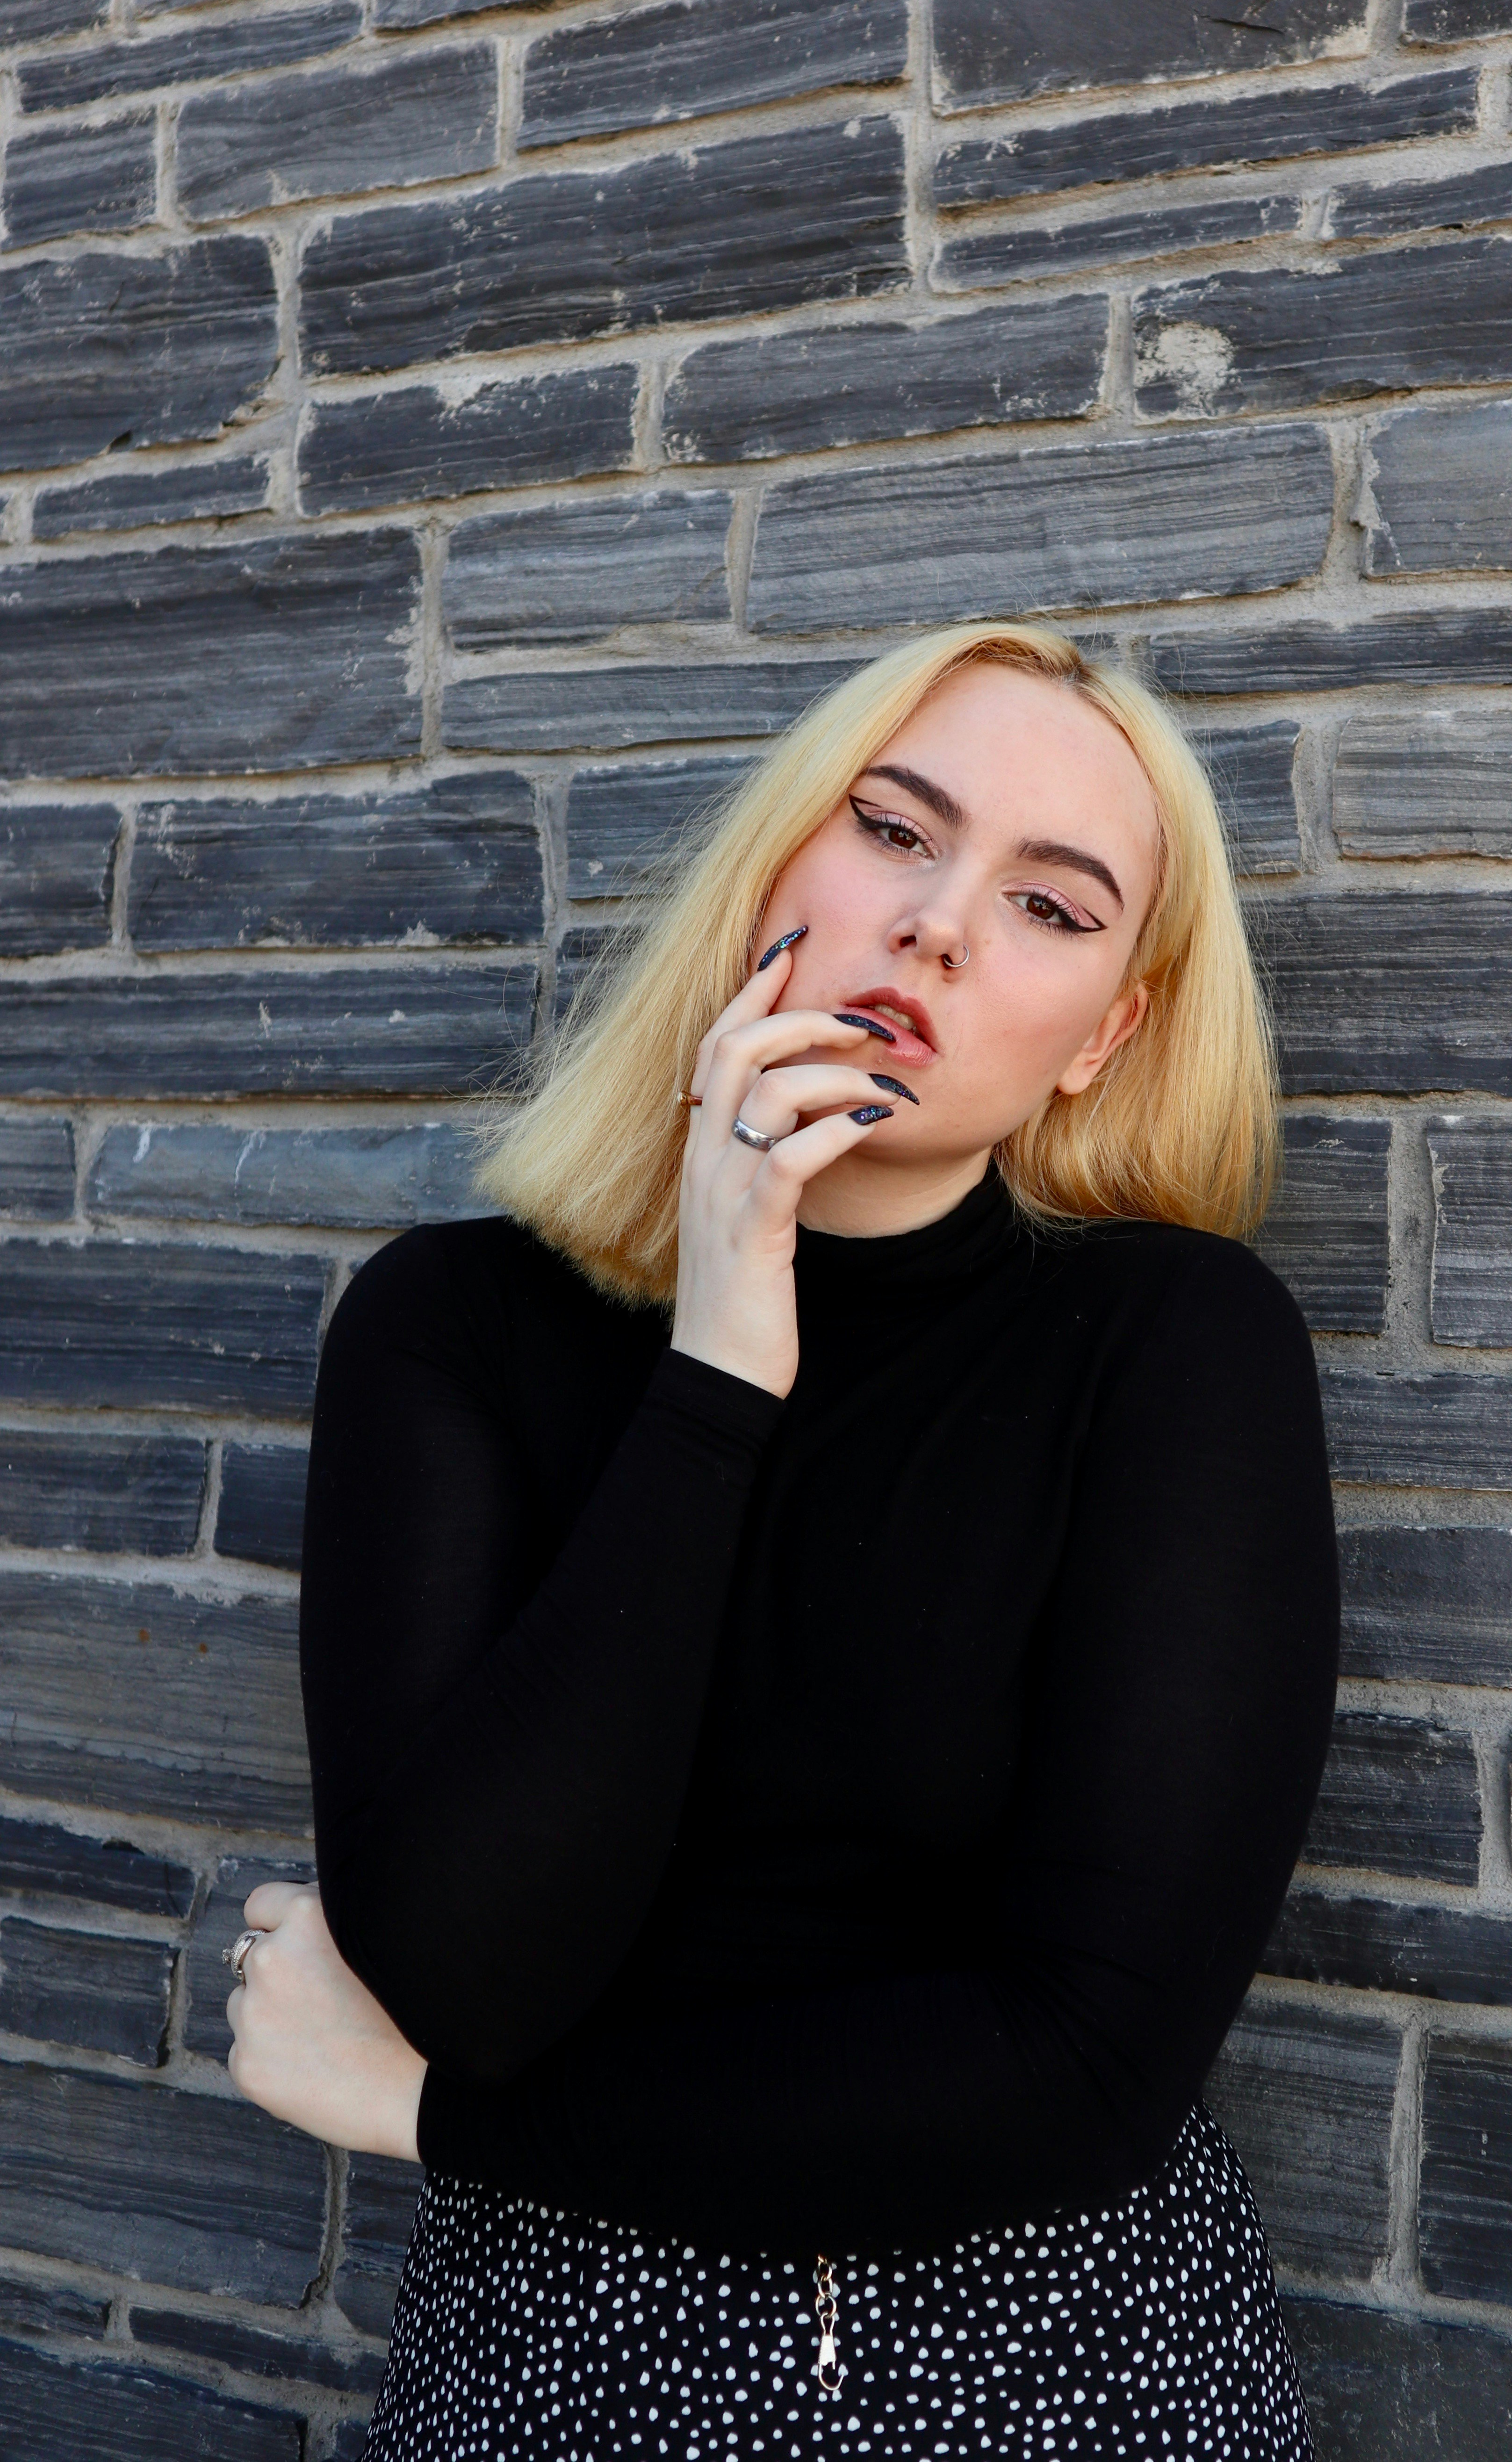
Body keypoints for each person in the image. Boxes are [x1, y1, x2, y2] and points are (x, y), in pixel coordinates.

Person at [225, 621, 1340, 2460]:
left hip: (1041, 2365)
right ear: (772, 869)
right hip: (552, 2370)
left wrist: (436, 2118)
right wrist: (723, 1352)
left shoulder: (1168, 1345)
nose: (938, 926)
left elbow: (1081, 2068)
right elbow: (465, 1968)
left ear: (1102, 1038)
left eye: (1048, 907)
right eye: (895, 831)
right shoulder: (455, 1327)